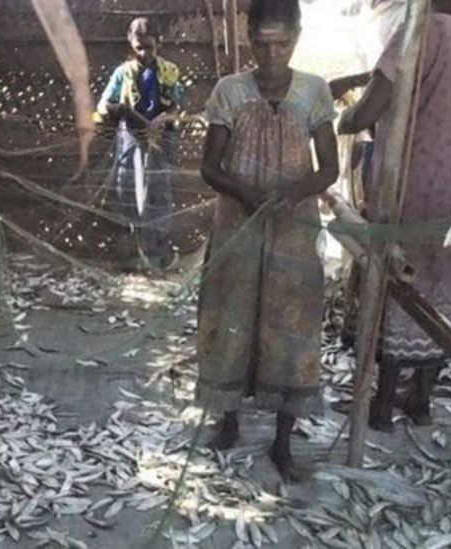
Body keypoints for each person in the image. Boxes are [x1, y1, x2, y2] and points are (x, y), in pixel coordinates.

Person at [338, 0, 451, 431]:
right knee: (447, 279)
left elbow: (368, 110)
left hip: (414, 177)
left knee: (402, 277)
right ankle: (421, 400)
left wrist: (343, 119)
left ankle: (383, 403)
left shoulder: (415, 33)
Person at [197, 0, 339, 481]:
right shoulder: (230, 91)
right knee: (231, 318)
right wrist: (245, 192)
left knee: (290, 328)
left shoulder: (314, 92)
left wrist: (293, 192)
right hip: (238, 227)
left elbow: (329, 168)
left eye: (282, 44)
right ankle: (228, 420)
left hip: (294, 231)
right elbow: (209, 167)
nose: (272, 55)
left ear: (296, 38)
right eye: (262, 44)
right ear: (250, 38)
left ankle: (282, 440)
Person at [97, 17, 182, 271]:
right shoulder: (123, 73)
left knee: (158, 192)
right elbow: (103, 105)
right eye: (139, 48)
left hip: (159, 138)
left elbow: (176, 106)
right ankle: (131, 255)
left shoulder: (169, 71)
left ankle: (158, 254)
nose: (144, 53)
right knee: (126, 190)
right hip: (131, 137)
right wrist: (119, 109)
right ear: (130, 44)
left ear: (159, 44)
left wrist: (164, 119)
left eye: (149, 47)